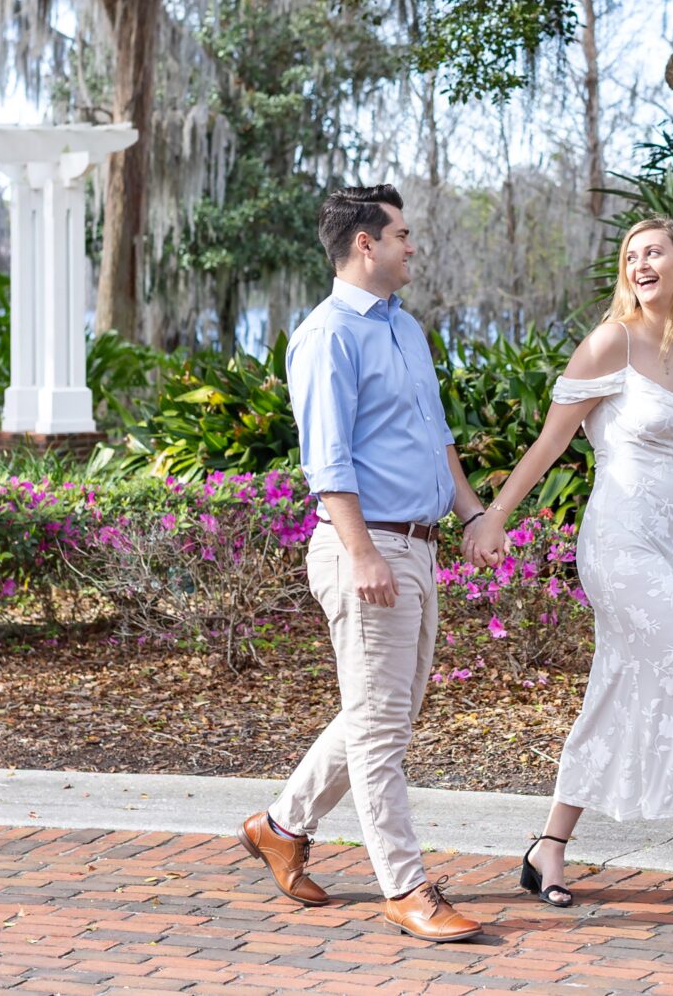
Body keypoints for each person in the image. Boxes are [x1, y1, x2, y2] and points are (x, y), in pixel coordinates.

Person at [465, 216, 673, 925]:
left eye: (655, 250)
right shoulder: (609, 340)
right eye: (631, 254)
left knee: (613, 692)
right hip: (618, 542)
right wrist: (494, 516)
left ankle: (547, 846)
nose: (641, 262)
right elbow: (551, 442)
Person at [237, 184, 493, 943]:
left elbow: (437, 436)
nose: (413, 245)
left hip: (418, 542)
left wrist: (472, 511)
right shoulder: (326, 336)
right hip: (366, 543)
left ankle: (282, 824)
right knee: (381, 730)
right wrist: (361, 551)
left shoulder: (406, 330)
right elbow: (328, 459)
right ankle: (406, 886)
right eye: (403, 234)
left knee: (381, 716)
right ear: (365, 244)